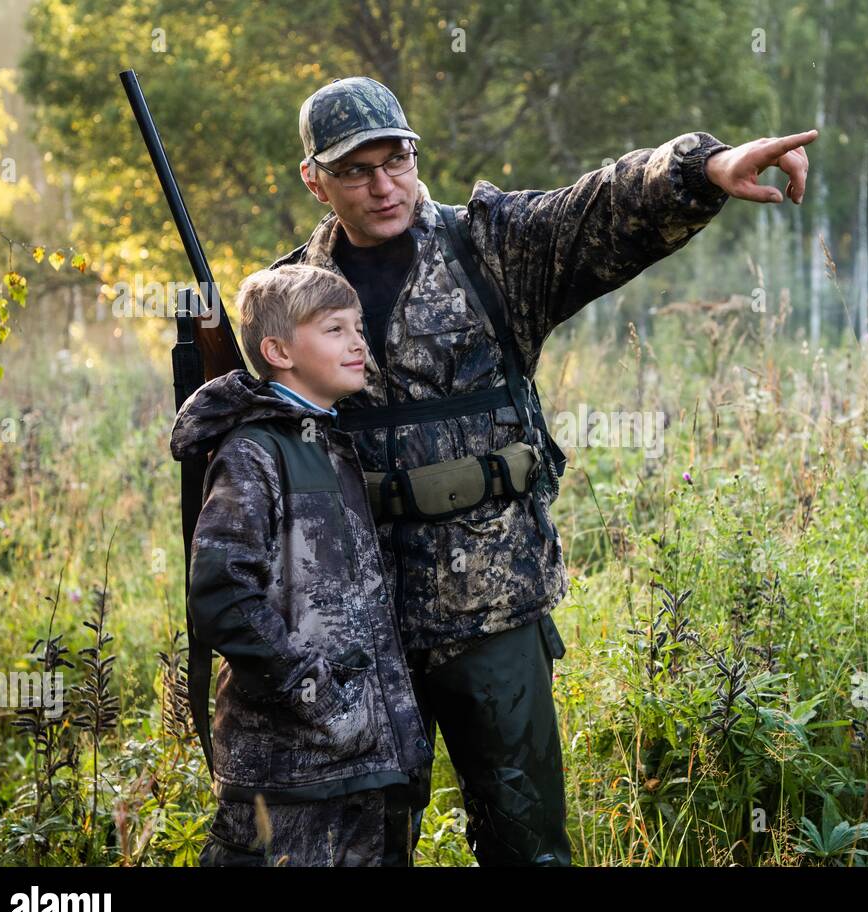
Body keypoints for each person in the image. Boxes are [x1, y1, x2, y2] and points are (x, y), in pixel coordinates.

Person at [271, 75, 816, 866]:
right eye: (356, 169)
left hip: (491, 612)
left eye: (398, 160)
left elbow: (600, 206)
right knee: (356, 850)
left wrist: (703, 169)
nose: (384, 185)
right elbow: (254, 448)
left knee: (527, 847)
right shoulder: (288, 298)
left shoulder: (490, 247)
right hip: (356, 625)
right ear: (314, 179)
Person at [170, 263, 432, 866]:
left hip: (358, 769)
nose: (359, 343)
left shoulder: (329, 443)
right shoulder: (253, 451)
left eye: (358, 327)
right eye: (335, 329)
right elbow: (222, 597)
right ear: (278, 351)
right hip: (292, 775)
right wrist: (323, 701)